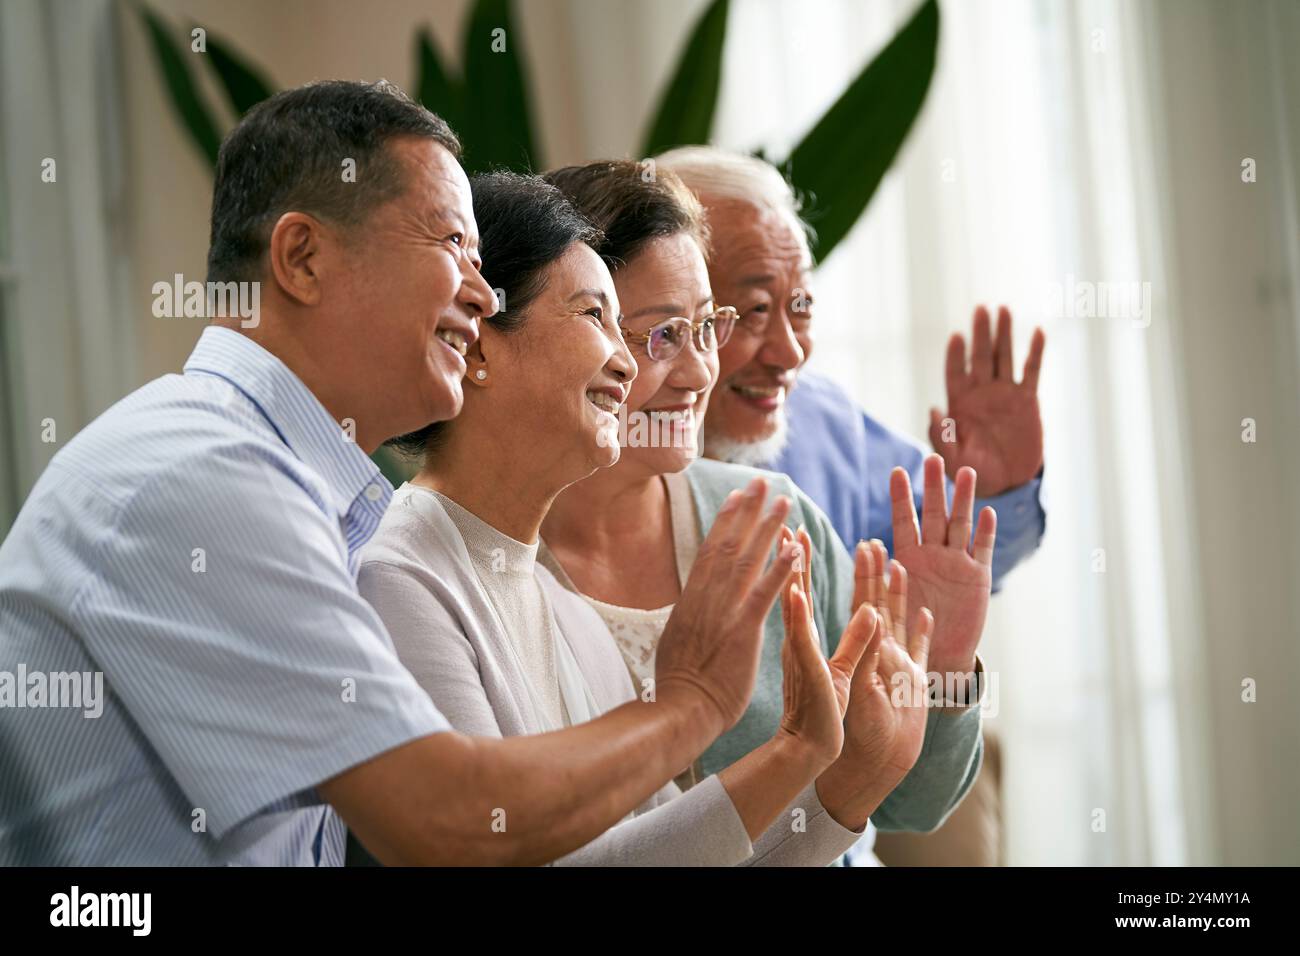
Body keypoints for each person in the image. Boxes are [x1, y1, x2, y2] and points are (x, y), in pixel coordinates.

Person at [0, 81, 797, 866]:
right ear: (302, 258)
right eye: (452, 244)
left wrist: (825, 773)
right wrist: (691, 703)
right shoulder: (206, 473)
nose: (482, 296)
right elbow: (449, 825)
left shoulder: (303, 486)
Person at [361, 171, 940, 865]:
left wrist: (834, 777)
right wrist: (736, 727)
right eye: (595, 318)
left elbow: (658, 858)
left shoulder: (553, 596)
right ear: (479, 346)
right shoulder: (396, 576)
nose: (620, 360)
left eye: (697, 330)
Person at [539, 161, 995, 861]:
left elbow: (911, 802)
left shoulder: (781, 520)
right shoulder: (492, 562)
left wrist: (947, 669)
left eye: (706, 329)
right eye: (661, 336)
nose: (697, 374)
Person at [654, 147, 1047, 588]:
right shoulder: (603, 456)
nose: (790, 353)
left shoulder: (825, 420)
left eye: (801, 306)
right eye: (755, 310)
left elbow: (937, 579)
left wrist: (996, 491)